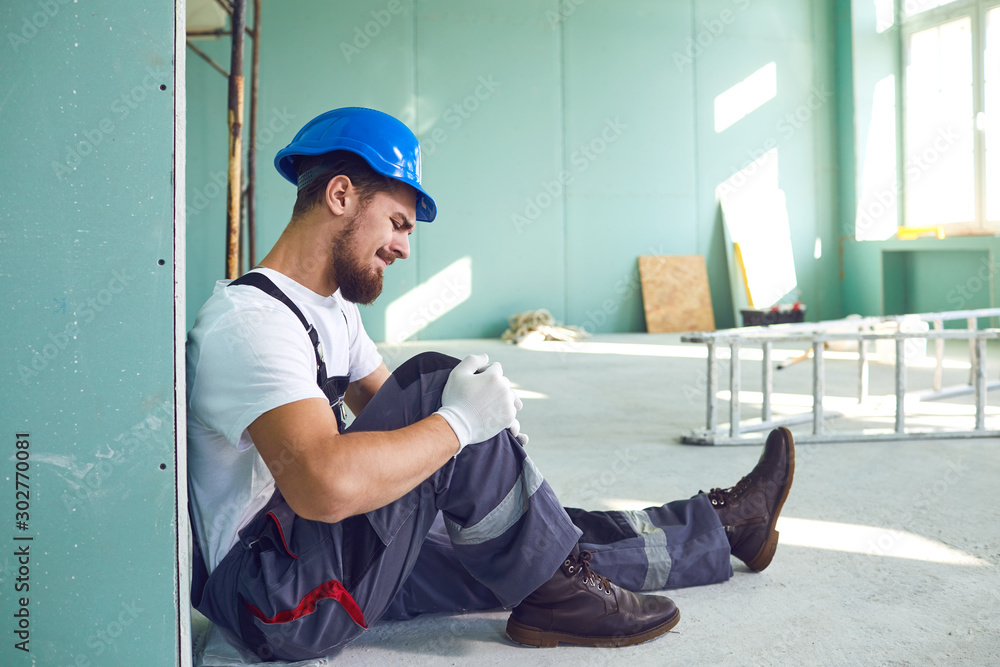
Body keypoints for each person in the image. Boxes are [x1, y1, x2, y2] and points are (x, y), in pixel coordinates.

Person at [186, 107, 795, 662]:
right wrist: (462, 424)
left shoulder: (332, 309)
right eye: (397, 223)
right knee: (438, 390)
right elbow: (325, 484)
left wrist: (489, 436)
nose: (401, 246)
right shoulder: (251, 324)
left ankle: (724, 526)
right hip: (274, 596)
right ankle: (559, 594)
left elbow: (385, 408)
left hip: (316, 556)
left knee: (521, 548)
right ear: (341, 195)